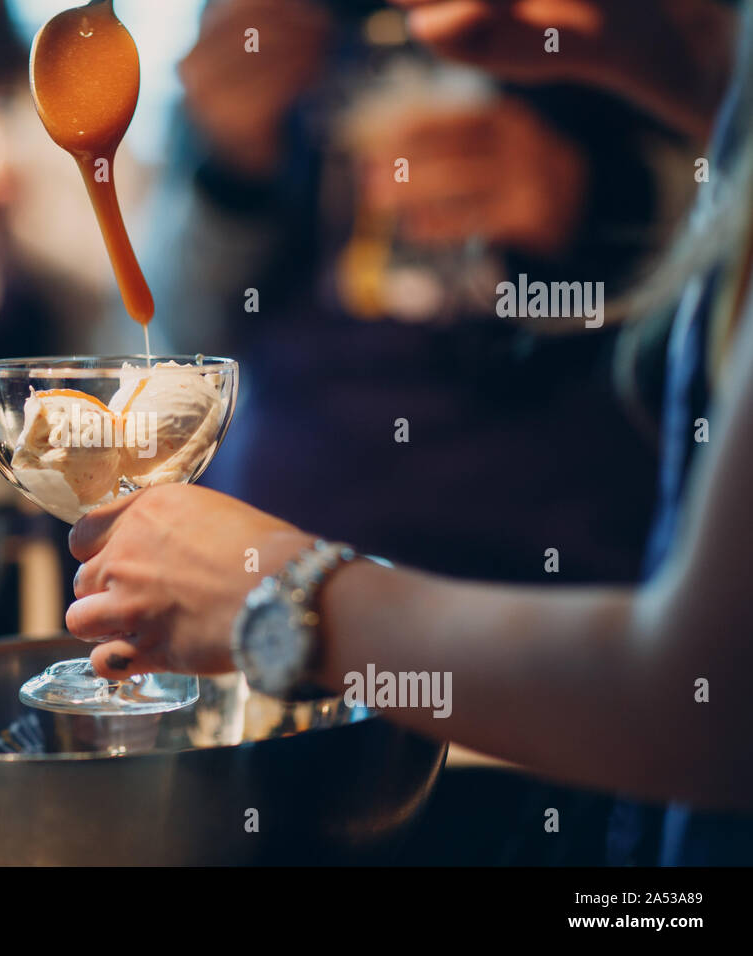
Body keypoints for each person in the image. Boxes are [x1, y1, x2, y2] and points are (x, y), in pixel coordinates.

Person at [63, 0, 753, 862]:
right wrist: (230, 165)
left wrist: (600, 199)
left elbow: (704, 702)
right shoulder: (258, 27)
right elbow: (184, 323)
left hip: (552, 644)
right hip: (282, 660)